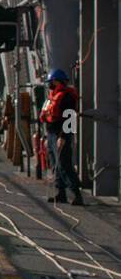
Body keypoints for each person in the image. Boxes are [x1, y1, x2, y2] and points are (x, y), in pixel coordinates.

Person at [39, 68, 84, 206]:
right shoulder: (52, 96)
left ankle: (76, 194)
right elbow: (47, 117)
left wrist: (63, 137)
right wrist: (47, 137)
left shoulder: (67, 97)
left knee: (64, 164)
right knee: (55, 165)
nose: (49, 85)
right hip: (52, 135)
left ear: (57, 81)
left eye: (51, 82)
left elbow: (70, 118)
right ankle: (61, 194)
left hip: (61, 135)